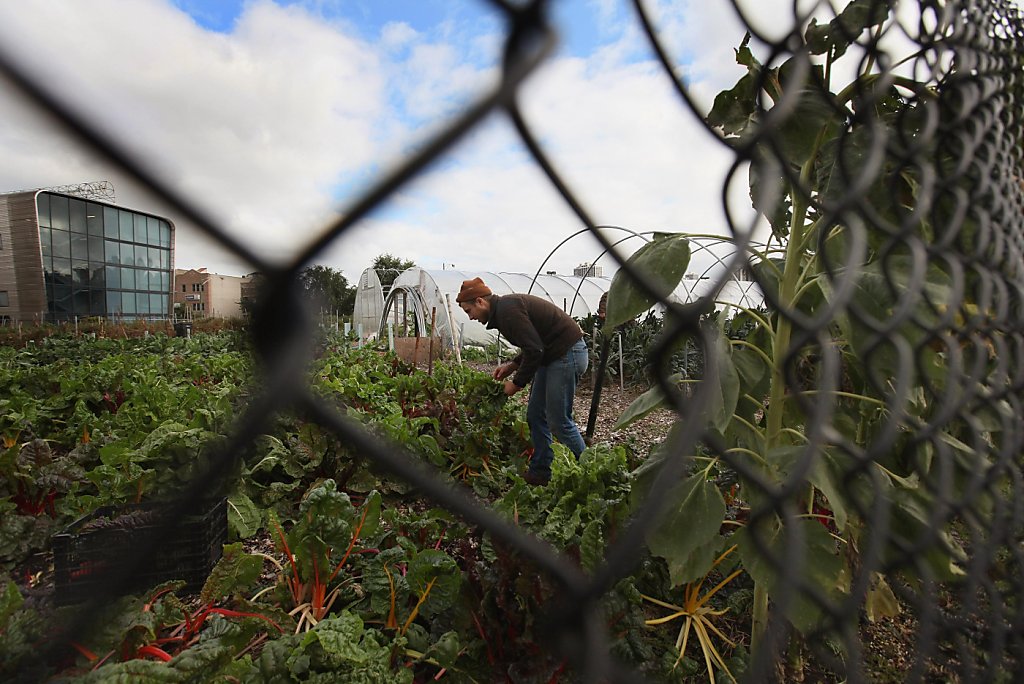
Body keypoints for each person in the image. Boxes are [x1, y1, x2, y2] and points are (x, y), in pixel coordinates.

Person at [456, 277, 589, 486]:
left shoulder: (508, 311)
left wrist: (517, 383)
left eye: (468, 311)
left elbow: (535, 350)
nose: (470, 317)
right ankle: (541, 471)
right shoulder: (504, 311)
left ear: (480, 302)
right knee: (535, 415)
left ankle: (590, 472)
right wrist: (511, 366)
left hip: (567, 354)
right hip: (553, 356)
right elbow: (534, 344)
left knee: (559, 421)